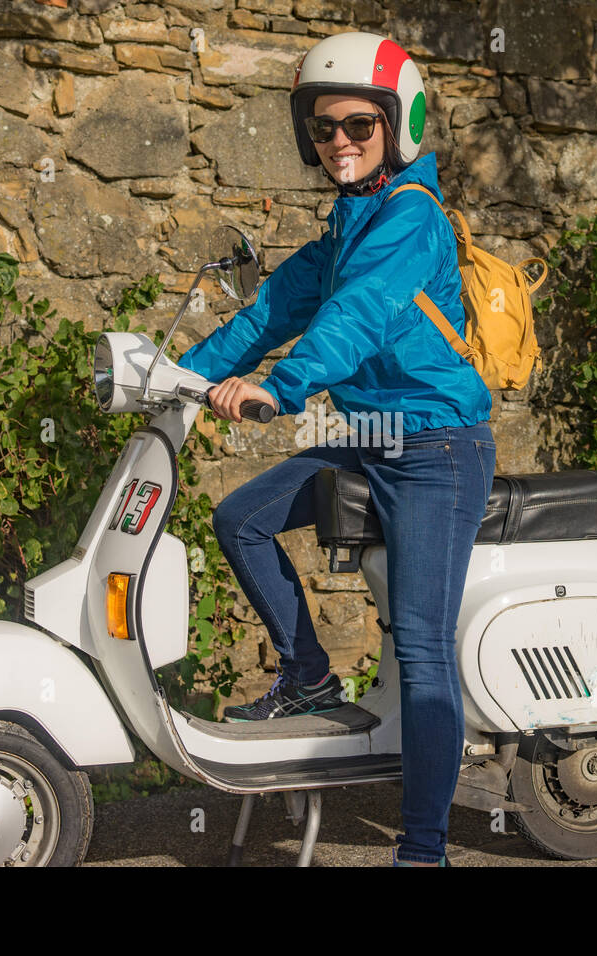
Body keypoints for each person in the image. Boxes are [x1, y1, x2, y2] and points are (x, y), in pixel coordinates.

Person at [176, 31, 495, 867]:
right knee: (242, 519)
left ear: (399, 124)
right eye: (323, 129)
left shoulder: (411, 221)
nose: (339, 142)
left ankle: (422, 850)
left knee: (421, 651)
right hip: (377, 441)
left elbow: (356, 317)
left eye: (358, 124)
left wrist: (281, 387)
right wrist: (170, 375)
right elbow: (269, 312)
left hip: (438, 450)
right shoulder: (350, 221)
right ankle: (309, 676)